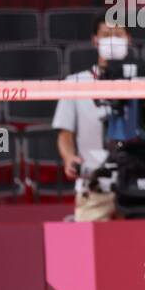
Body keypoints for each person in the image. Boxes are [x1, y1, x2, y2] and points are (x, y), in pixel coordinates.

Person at [54, 19, 135, 223]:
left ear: (128, 39)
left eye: (118, 34)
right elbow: (65, 133)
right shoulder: (75, 83)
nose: (112, 40)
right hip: (94, 186)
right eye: (106, 35)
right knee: (87, 253)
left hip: (136, 186)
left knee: (140, 252)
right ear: (95, 41)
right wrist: (69, 157)